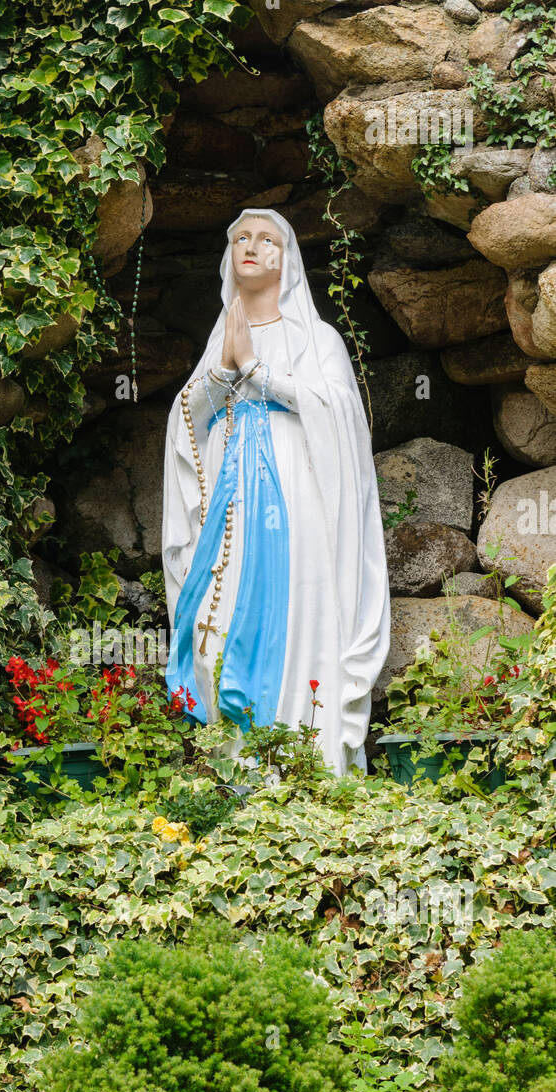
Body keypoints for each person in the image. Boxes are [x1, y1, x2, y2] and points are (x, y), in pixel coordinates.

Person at [161, 207, 390, 774]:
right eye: (241, 237)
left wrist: (256, 371)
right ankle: (238, 770)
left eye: (268, 240)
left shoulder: (317, 338)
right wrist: (223, 372)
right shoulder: (221, 337)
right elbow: (185, 421)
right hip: (229, 509)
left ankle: (305, 762)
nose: (253, 247)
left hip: (299, 502)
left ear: (287, 261)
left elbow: (338, 414)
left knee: (300, 613)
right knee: (216, 622)